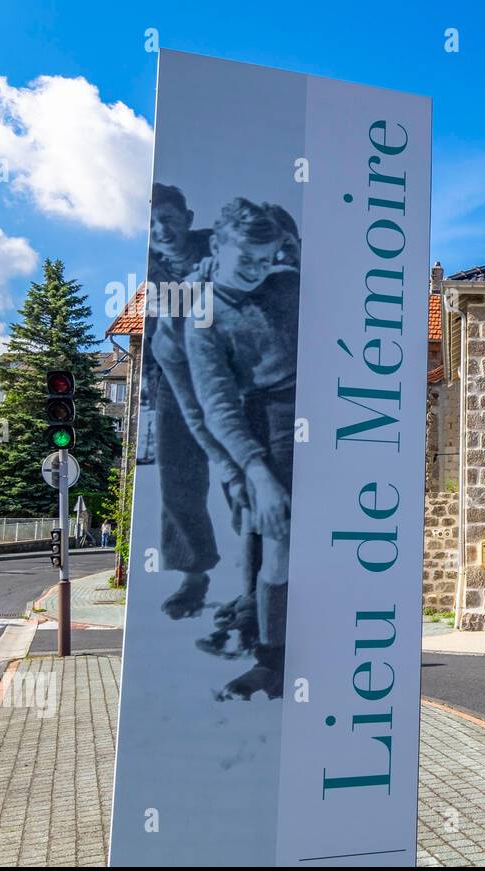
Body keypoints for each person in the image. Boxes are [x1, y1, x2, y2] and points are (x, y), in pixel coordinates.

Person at [185, 198, 299, 701]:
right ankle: (271, 662)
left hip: (327, 411)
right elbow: (217, 408)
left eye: (264, 260)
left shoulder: (288, 285)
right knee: (278, 543)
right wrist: (256, 473)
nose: (257, 272)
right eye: (245, 261)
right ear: (216, 246)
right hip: (266, 430)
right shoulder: (203, 319)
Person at [146, 184, 223, 620]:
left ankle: (267, 578)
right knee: (178, 477)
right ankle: (193, 575)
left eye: (171, 219)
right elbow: (169, 318)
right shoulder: (153, 268)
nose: (163, 230)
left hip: (235, 369)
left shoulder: (217, 241)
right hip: (175, 377)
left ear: (188, 217)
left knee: (260, 468)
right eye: (154, 223)